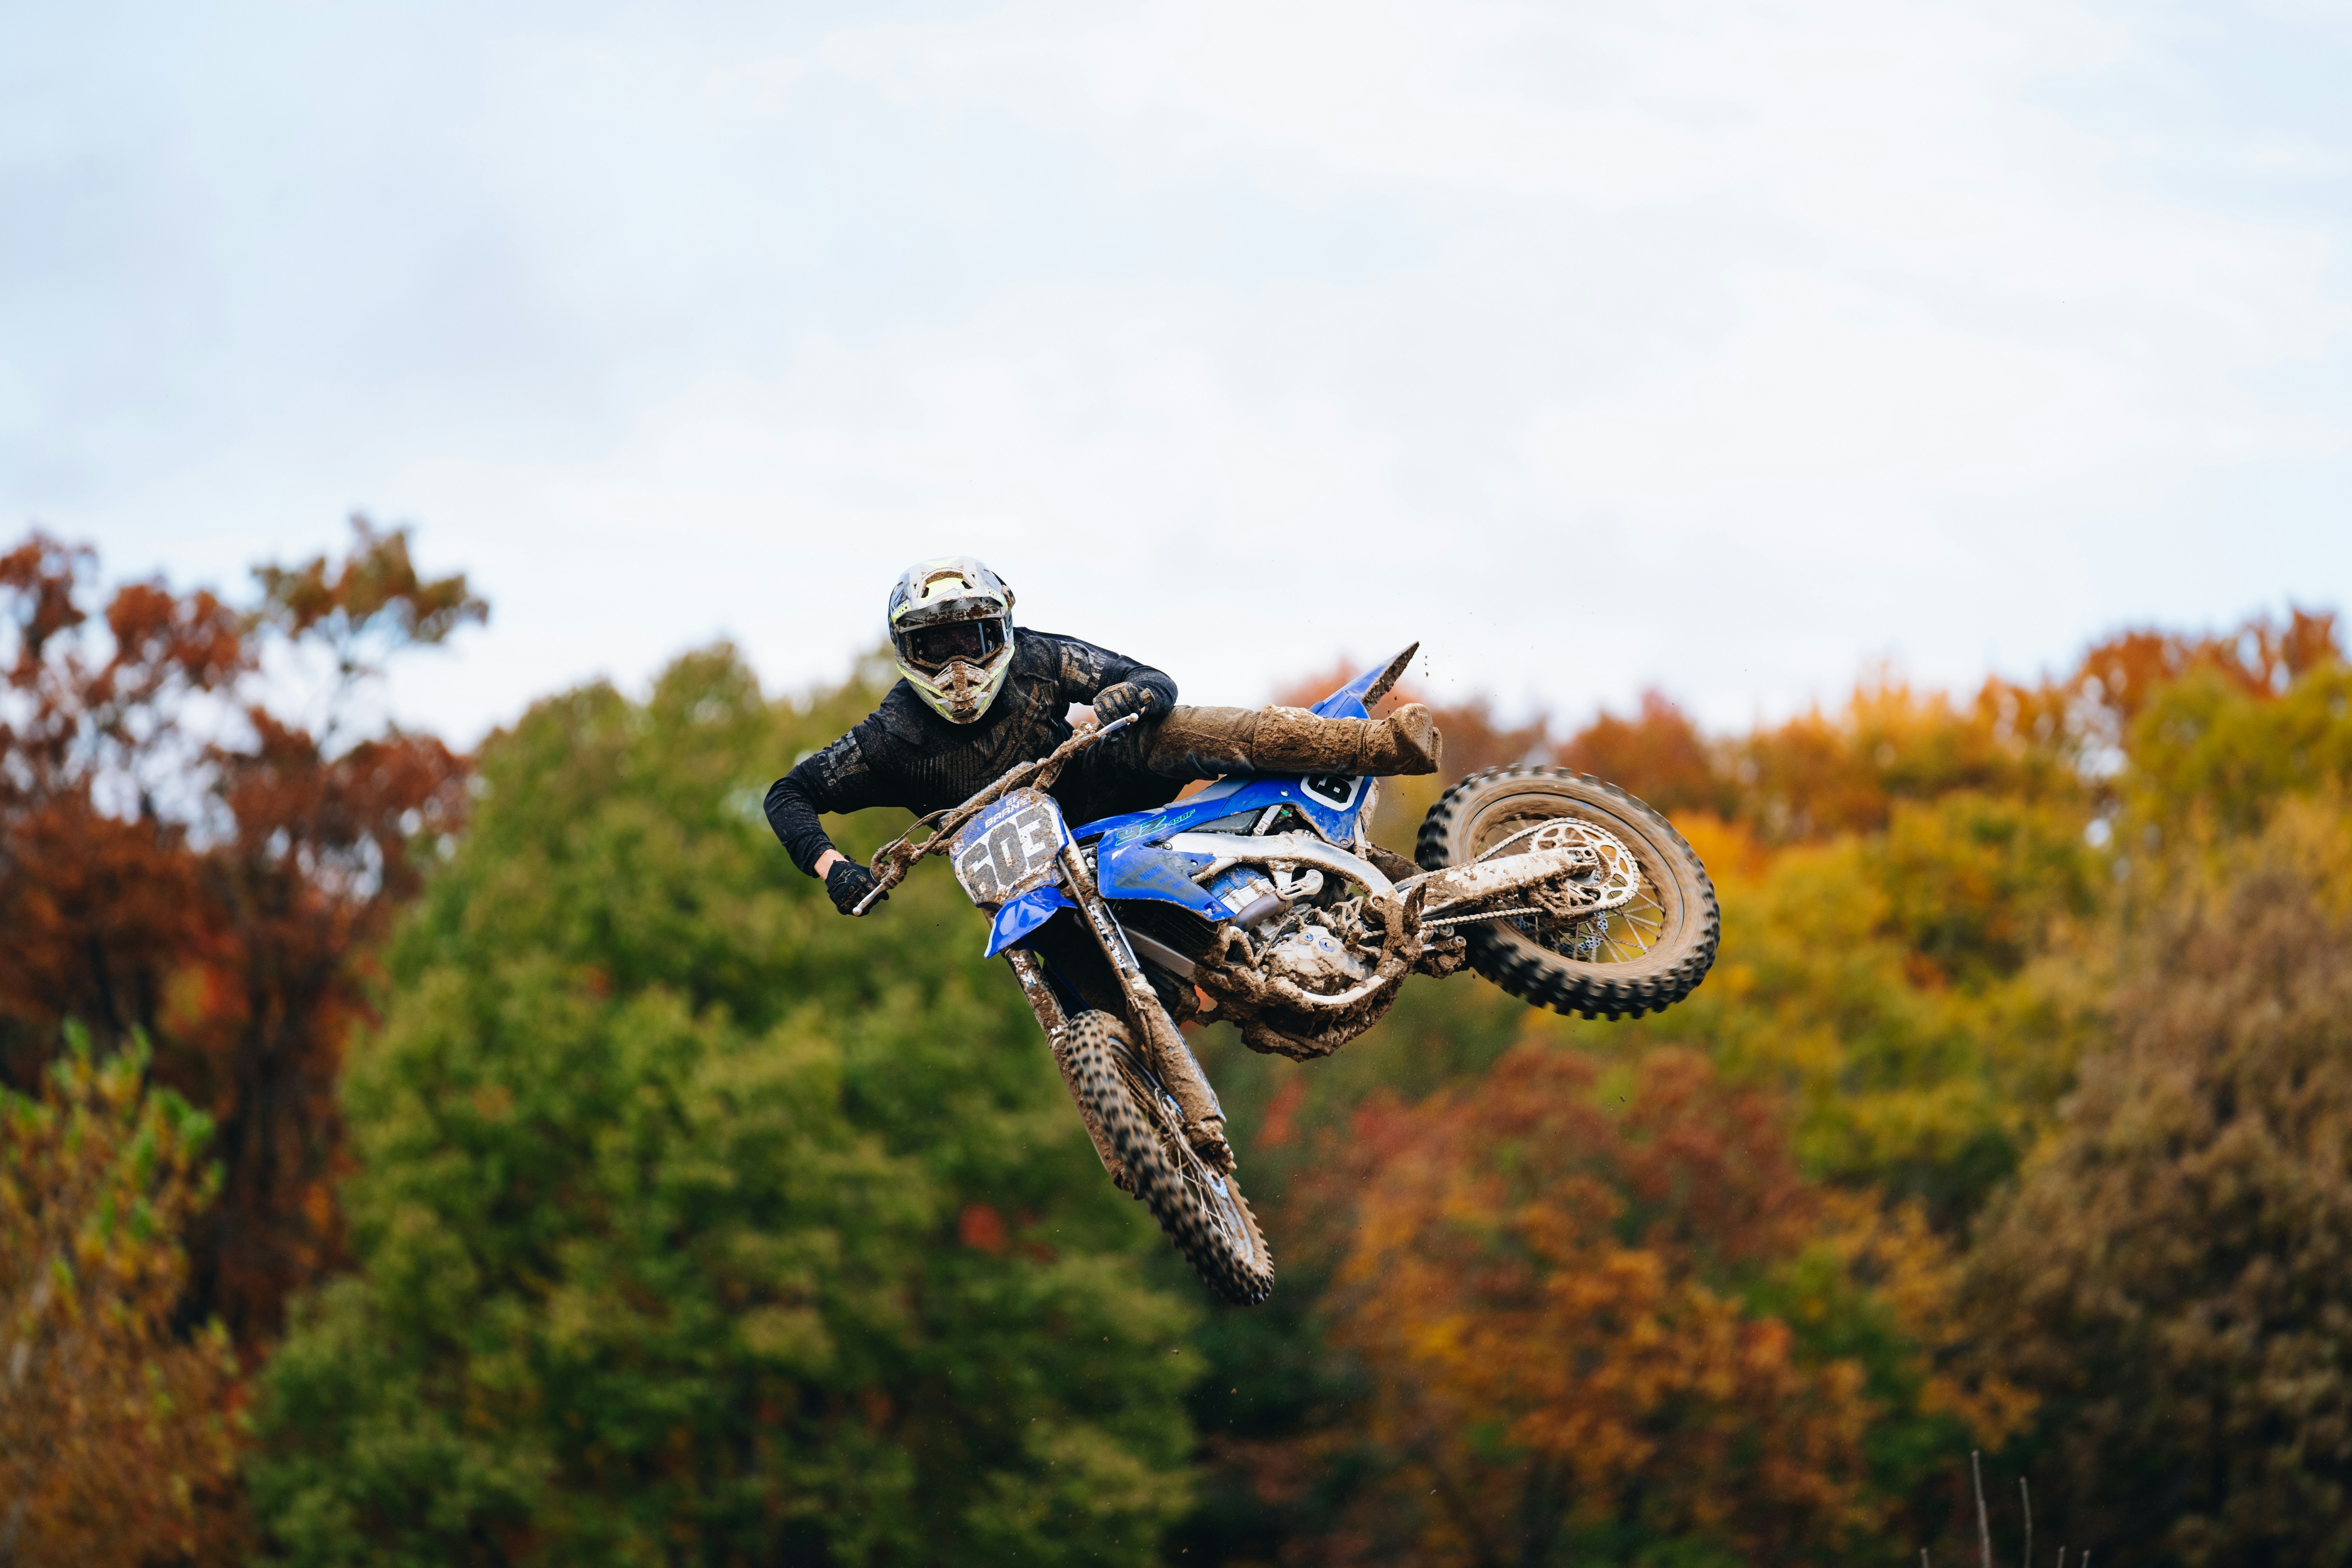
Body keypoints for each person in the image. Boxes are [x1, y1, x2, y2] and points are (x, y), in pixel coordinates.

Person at [763, 556, 1442, 918]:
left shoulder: (1039, 659)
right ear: (906, 654)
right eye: (935, 647)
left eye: (969, 640)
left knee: (1164, 728)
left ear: (1000, 633)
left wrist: (1126, 695)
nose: (959, 668)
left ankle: (1376, 747)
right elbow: (788, 793)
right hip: (1035, 877)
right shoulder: (892, 737)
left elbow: (1154, 679)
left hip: (1108, 789)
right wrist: (834, 868)